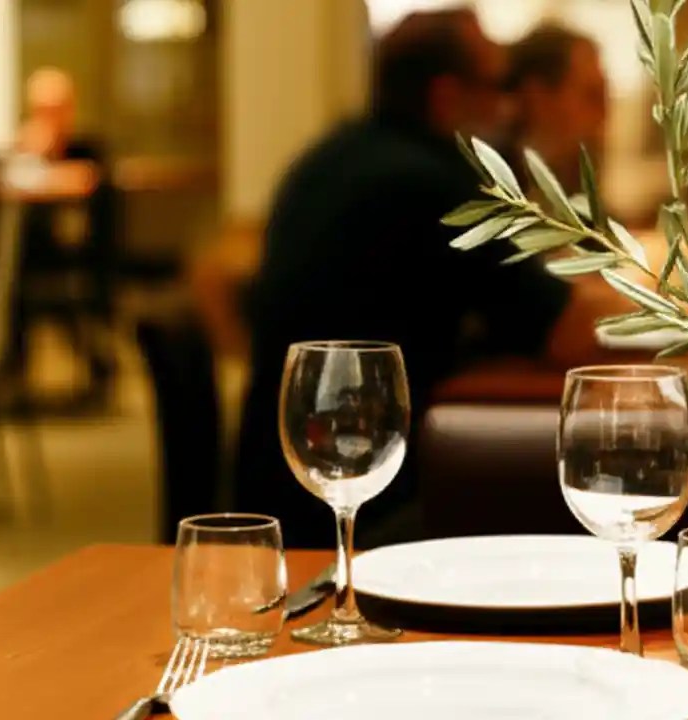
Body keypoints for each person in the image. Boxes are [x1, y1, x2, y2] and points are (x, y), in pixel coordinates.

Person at [235, 10, 573, 548]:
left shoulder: (334, 154)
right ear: (446, 96)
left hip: (276, 477)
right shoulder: (434, 183)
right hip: (361, 498)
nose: (509, 107)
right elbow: (564, 330)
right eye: (497, 87)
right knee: (547, 493)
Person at [13, 67, 117, 405]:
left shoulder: (86, 148)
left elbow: (86, 180)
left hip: (79, 261)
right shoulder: (23, 147)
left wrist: (43, 162)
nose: (48, 118)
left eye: (56, 109)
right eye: (41, 110)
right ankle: (5, 369)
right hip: (30, 263)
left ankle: (98, 368)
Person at [505, 25, 608, 195]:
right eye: (592, 95)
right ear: (538, 98)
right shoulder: (484, 184)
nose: (603, 113)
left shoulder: (575, 176)